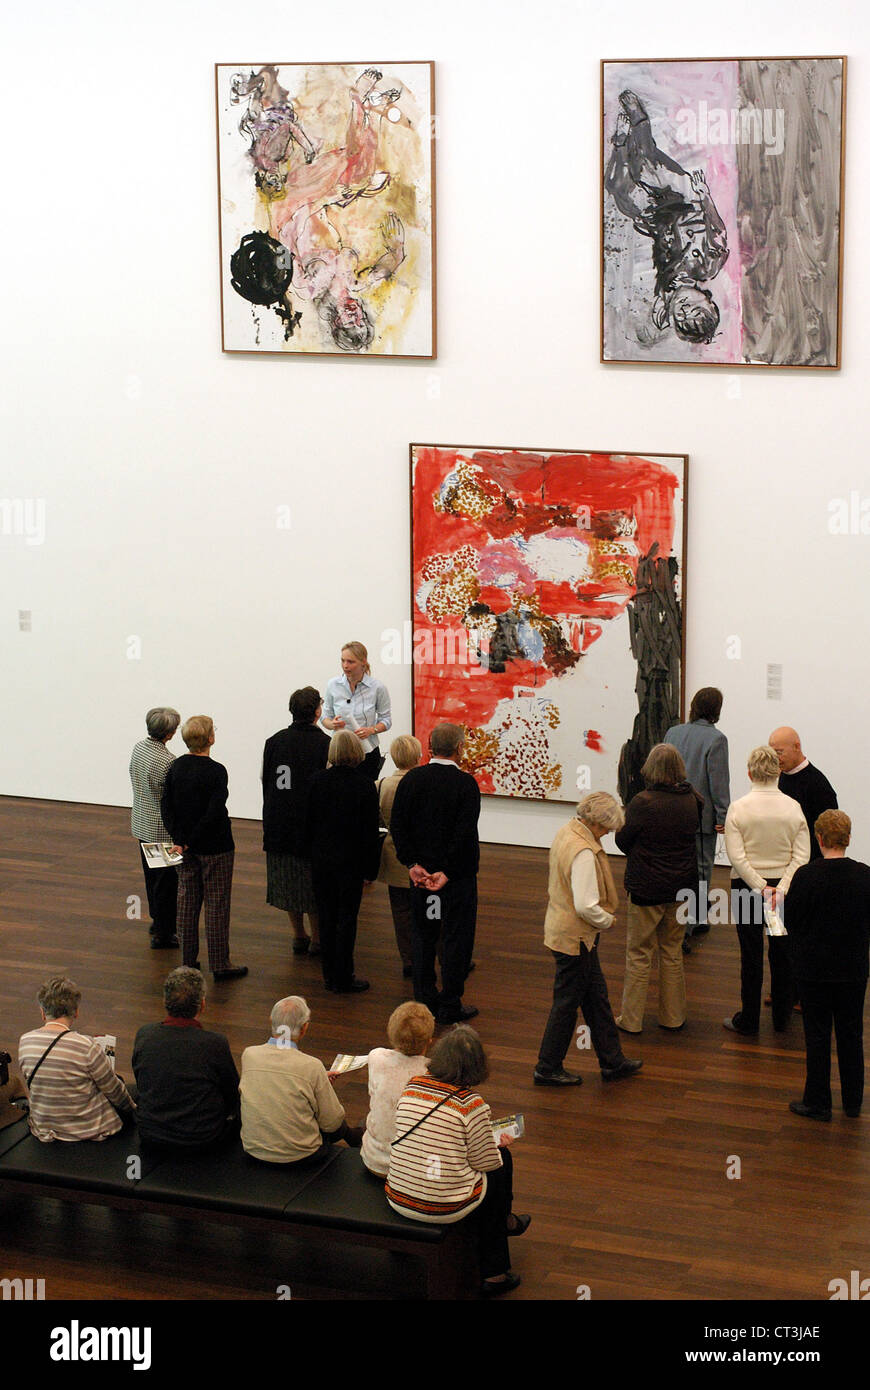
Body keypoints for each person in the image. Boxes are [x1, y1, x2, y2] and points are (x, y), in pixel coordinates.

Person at [386, 1025, 530, 1297]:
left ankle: (506, 1223)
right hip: (443, 1204)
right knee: (502, 1163)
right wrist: (496, 1145)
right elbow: (485, 1163)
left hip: (398, 1194)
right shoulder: (471, 1104)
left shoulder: (413, 1085)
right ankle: (495, 1269)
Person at [534, 792, 642, 1085]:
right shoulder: (583, 852)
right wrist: (607, 920)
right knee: (567, 1004)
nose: (607, 833)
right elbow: (585, 905)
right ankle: (547, 1067)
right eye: (606, 828)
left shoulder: (567, 831)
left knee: (596, 998)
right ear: (596, 822)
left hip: (565, 931)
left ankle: (612, 1060)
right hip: (575, 937)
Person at [605, 89, 728, 344]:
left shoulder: (666, 294)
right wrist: (704, 196)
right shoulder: (706, 267)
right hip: (684, 201)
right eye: (694, 309)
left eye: (681, 318)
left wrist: (657, 320)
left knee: (617, 188)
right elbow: (718, 232)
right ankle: (639, 121)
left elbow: (647, 333)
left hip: (656, 217)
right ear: (707, 300)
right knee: (647, 163)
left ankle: (619, 143)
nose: (683, 309)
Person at [390, 722, 481, 1026]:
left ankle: (424, 998)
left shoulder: (413, 780)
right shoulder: (466, 785)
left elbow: (398, 826)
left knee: (423, 936)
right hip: (455, 881)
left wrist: (412, 864)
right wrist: (447, 872)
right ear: (459, 749)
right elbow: (463, 834)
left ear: (429, 748)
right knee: (456, 939)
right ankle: (450, 1004)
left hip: (421, 878)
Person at [785, 811, 870, 1121]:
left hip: (814, 970)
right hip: (853, 970)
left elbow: (791, 919)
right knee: (851, 1033)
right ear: (848, 839)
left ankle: (818, 1102)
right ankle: (852, 1102)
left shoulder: (806, 876)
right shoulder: (864, 875)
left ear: (818, 839)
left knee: (818, 1034)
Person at [723, 746, 811, 1036]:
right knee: (781, 952)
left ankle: (748, 1019)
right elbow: (802, 856)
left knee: (750, 954)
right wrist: (780, 888)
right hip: (781, 895)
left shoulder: (738, 808)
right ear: (777, 772)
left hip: (748, 890)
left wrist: (760, 888)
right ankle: (781, 1017)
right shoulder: (793, 807)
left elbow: (736, 857)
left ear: (749, 773)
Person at [615, 745, 703, 1033]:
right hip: (682, 888)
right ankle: (673, 1017)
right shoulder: (694, 800)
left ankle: (631, 1020)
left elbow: (622, 841)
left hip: (647, 888)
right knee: (672, 951)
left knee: (639, 953)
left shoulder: (643, 802)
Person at [161, 715, 246, 981]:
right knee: (217, 905)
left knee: (186, 902)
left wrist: (180, 839)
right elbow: (214, 812)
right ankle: (220, 963)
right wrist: (191, 839)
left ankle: (187, 962)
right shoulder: (216, 771)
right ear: (210, 738)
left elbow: (166, 806)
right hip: (216, 847)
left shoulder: (175, 768)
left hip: (183, 848)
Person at [240, 995, 363, 1164]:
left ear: (271, 1021)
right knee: (327, 1112)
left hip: (254, 1150)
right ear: (304, 1028)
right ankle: (356, 1137)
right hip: (300, 1157)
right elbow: (332, 1123)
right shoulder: (311, 1066)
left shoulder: (249, 1055)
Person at [132, 967, 240, 1153]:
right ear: (202, 1005)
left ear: (165, 1001)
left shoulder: (145, 1035)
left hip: (152, 1136)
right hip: (202, 1139)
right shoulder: (215, 1043)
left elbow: (142, 1078)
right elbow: (232, 1094)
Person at [306, 730, 382, 993]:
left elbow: (307, 824)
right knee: (347, 919)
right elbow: (370, 832)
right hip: (351, 863)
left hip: (322, 861)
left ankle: (329, 974)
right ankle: (344, 975)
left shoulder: (315, 782)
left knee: (326, 917)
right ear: (357, 752)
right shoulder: (364, 786)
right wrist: (371, 870)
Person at [18, 976, 135, 1142]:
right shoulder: (86, 1046)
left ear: (43, 1012)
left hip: (44, 1128)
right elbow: (115, 1092)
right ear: (76, 1012)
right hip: (90, 1130)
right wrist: (134, 1110)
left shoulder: (25, 1041)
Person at [261, 687, 331, 957]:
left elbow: (266, 780)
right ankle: (318, 939)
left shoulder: (274, 741)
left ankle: (298, 935)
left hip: (279, 823)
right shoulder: (324, 744)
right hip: (311, 826)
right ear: (317, 711)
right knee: (313, 884)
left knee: (287, 881)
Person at [665, 687, 730, 948]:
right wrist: (723, 816)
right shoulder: (716, 739)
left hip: (671, 812)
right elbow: (718, 782)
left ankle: (695, 918)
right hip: (700, 818)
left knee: (675, 867)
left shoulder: (673, 732)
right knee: (701, 871)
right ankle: (686, 929)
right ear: (716, 710)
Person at [361, 1002, 434, 1177]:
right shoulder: (432, 1072)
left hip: (373, 1161)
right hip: (409, 1170)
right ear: (429, 1041)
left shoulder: (376, 1057)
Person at [128, 706, 181, 948]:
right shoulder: (168, 761)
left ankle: (157, 920)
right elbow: (171, 798)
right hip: (162, 831)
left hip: (142, 823)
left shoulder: (139, 747)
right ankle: (164, 932)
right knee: (166, 883)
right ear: (169, 733)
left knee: (152, 879)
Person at [377, 734, 423, 977]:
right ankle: (430, 953)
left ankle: (408, 958)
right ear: (418, 756)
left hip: (394, 856)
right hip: (422, 856)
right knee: (428, 909)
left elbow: (376, 819)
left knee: (401, 912)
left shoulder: (382, 784)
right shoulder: (424, 784)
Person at [322, 640, 392, 779]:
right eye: (342, 661)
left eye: (350, 662)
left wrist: (371, 730)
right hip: (339, 751)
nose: (345, 666)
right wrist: (332, 724)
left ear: (363, 662)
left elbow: (386, 720)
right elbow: (325, 716)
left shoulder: (377, 688)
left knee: (365, 792)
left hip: (367, 750)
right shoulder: (333, 685)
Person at [769, 727, 838, 861]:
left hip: (808, 864)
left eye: (779, 752)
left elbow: (827, 833)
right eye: (772, 753)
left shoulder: (818, 785)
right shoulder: (780, 777)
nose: (776, 759)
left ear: (796, 747)